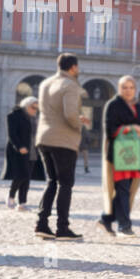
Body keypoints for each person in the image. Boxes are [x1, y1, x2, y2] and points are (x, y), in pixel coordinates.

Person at [34, 53, 88, 240]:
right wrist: (80, 125)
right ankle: (62, 228)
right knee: (65, 183)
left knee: (51, 182)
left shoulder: (46, 84)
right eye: (77, 67)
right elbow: (70, 114)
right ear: (73, 67)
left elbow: (53, 111)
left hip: (44, 138)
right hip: (63, 141)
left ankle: (41, 224)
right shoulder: (70, 85)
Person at [98, 75, 140, 238]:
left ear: (135, 89)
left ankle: (105, 219)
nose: (127, 91)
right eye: (124, 87)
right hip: (119, 154)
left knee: (128, 190)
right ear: (119, 89)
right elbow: (110, 130)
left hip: (136, 155)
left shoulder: (139, 107)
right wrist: (130, 128)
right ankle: (124, 226)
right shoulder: (113, 105)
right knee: (122, 189)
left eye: (131, 87)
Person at [1, 96, 40, 211]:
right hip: (19, 150)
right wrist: (19, 147)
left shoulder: (34, 118)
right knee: (20, 175)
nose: (35, 110)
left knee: (27, 177)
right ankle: (11, 196)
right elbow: (12, 134)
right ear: (26, 106)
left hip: (32, 149)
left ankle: (22, 203)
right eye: (33, 107)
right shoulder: (14, 116)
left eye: (36, 108)